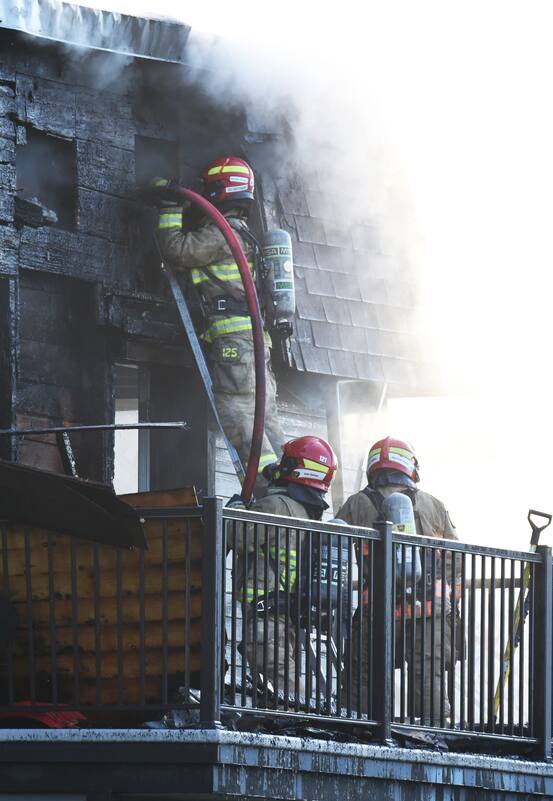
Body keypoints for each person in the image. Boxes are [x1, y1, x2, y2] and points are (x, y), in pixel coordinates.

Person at [154, 156, 285, 488]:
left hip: (234, 347)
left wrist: (170, 207)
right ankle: (286, 485)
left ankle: (265, 491)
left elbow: (177, 250)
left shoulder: (220, 233)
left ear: (219, 191)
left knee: (238, 414)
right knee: (265, 418)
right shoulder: (245, 235)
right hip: (255, 347)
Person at [335, 436, 461, 725]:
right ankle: (435, 732)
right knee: (427, 674)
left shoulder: (357, 504)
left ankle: (358, 727)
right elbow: (456, 558)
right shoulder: (433, 504)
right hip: (429, 609)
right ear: (410, 467)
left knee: (362, 673)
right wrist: (450, 598)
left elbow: (330, 543)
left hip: (378, 607)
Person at [233, 435, 337, 702]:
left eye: (286, 461)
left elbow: (235, 535)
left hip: (265, 610)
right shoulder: (306, 512)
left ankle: (301, 713)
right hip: (283, 611)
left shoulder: (277, 506)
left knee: (272, 666)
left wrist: (234, 511)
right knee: (273, 676)